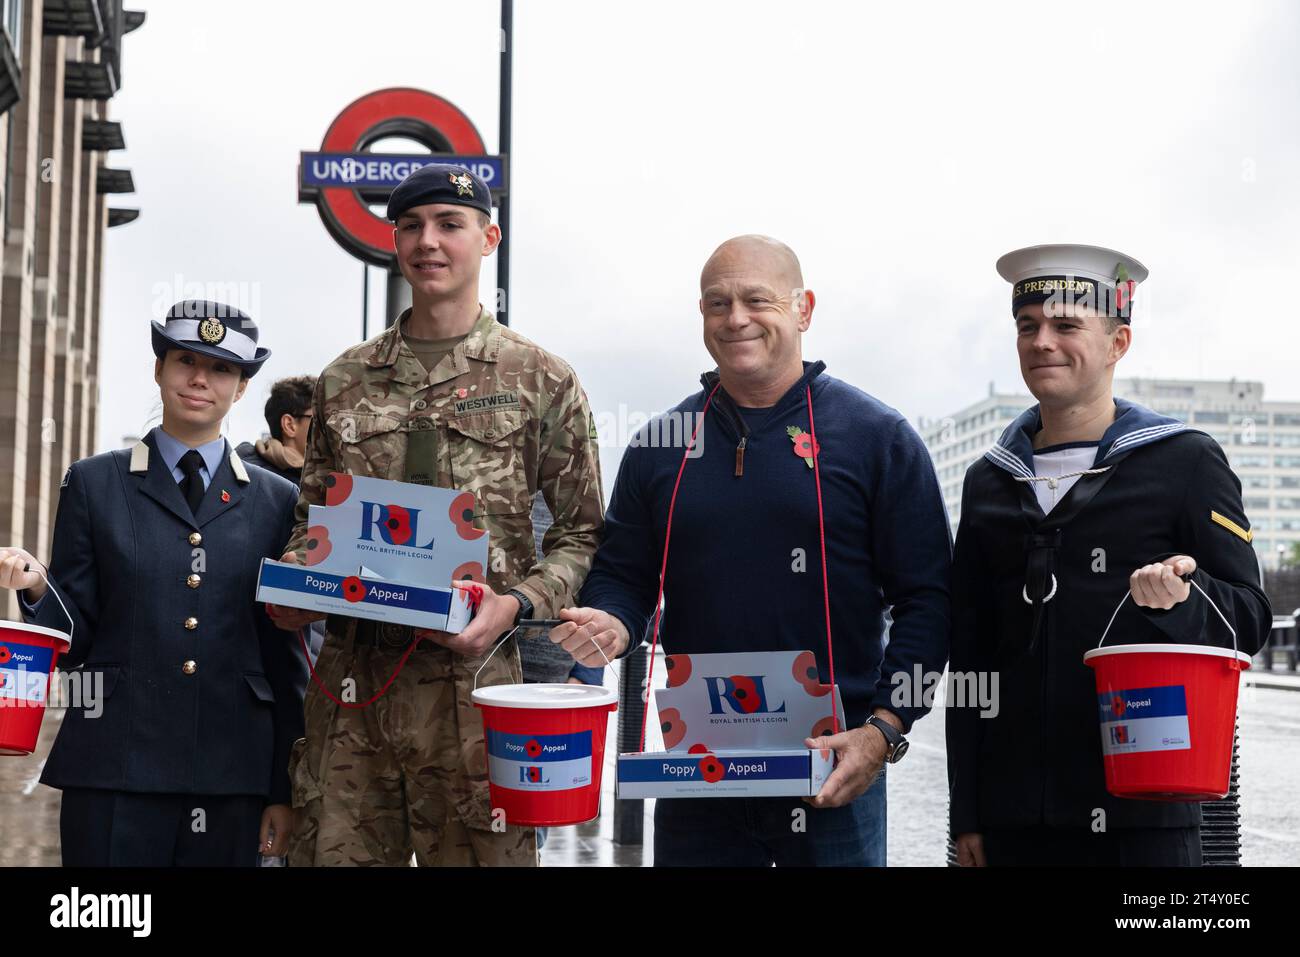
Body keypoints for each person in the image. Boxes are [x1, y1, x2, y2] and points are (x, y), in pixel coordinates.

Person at [550, 235, 952, 866]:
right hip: (697, 773)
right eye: (717, 303)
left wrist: (884, 730)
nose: (735, 318)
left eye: (755, 299)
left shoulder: (877, 438)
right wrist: (612, 623)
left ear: (803, 309)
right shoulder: (661, 445)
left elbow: (927, 600)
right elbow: (621, 577)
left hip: (834, 766)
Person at [269, 163, 605, 867]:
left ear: (489, 238)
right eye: (412, 226)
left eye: (450, 224)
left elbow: (583, 536)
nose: (429, 241)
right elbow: (312, 520)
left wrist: (516, 604)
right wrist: (296, 587)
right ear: (394, 241)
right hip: (355, 686)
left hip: (479, 694)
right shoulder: (345, 379)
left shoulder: (541, 379)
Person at [946, 244, 1272, 867]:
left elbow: (1250, 617)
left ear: (1118, 342)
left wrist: (1183, 600)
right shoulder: (987, 479)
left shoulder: (1185, 459)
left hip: (1143, 819)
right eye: (1027, 325)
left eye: (1067, 325)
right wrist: (968, 812)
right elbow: (970, 656)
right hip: (1014, 823)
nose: (1043, 341)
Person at [0, 300, 307, 866]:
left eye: (221, 369)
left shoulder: (278, 501)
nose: (199, 379)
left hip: (231, 773)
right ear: (158, 369)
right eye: (185, 360)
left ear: (240, 389)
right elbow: (76, 640)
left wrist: (282, 790)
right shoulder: (94, 483)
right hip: (115, 767)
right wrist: (39, 589)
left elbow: (284, 656)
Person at [237, 374, 317, 484]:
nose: (333, 428)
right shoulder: (248, 477)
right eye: (322, 419)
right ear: (289, 425)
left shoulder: (324, 480)